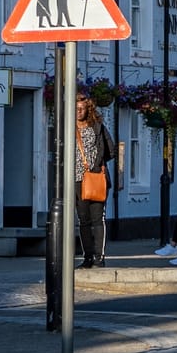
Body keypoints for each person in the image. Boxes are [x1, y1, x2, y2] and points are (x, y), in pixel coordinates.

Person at [74, 96, 112, 268]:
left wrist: (96, 165)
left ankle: (99, 257)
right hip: (76, 180)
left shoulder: (97, 128)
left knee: (98, 219)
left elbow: (110, 150)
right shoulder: (68, 129)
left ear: (88, 110)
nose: (78, 111)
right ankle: (87, 257)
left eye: (82, 108)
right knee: (83, 220)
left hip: (96, 178)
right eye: (76, 108)